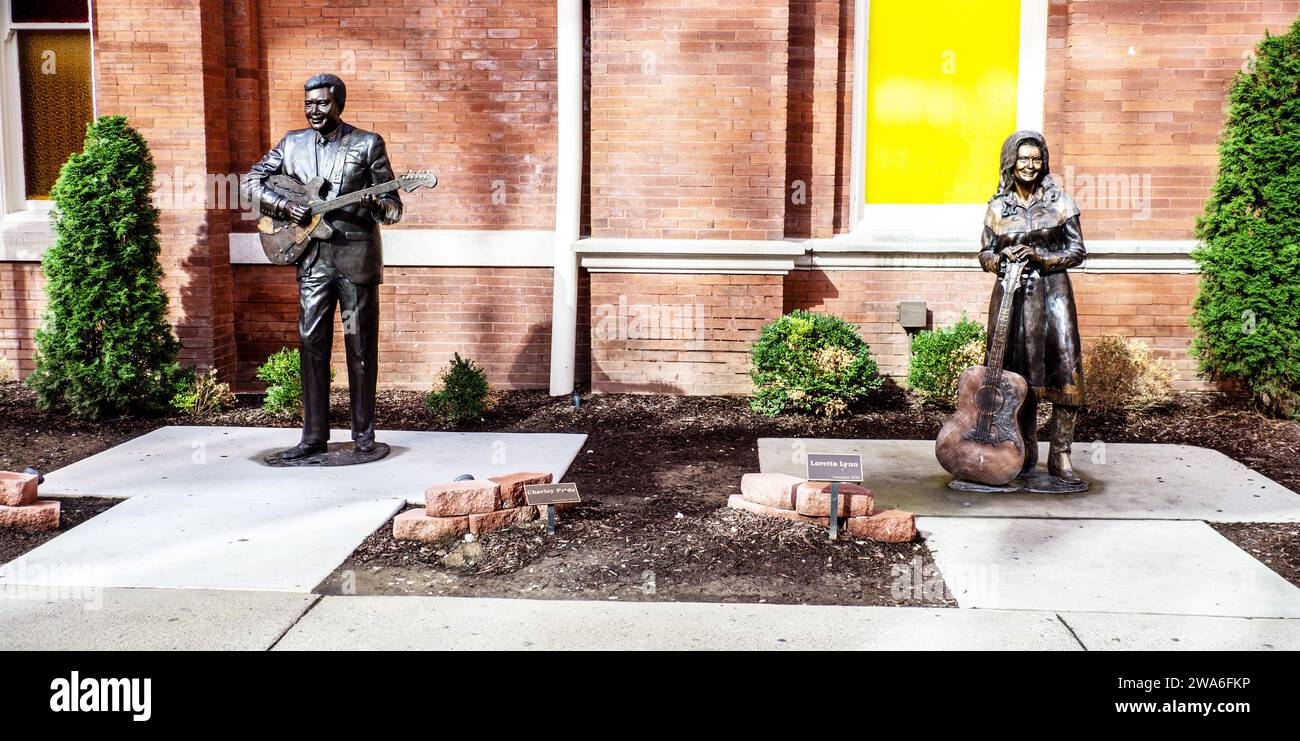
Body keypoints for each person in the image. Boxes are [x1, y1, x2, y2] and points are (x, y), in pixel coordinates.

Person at [241, 74, 402, 460]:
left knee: (360, 346)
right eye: (309, 103)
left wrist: (373, 204)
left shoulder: (367, 144)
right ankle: (313, 436)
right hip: (312, 259)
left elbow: (394, 207)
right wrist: (283, 206)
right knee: (312, 344)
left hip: (356, 261)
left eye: (322, 103)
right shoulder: (291, 143)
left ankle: (364, 434)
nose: (313, 110)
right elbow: (249, 183)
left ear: (339, 103)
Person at [977, 130, 1085, 484]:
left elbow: (1077, 251)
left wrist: (1042, 257)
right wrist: (999, 258)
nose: (1030, 165)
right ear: (1011, 162)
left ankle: (1060, 454)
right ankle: (1024, 449)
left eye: (1036, 159)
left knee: (1063, 368)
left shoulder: (1060, 202)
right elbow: (983, 253)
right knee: (1016, 372)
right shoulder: (997, 207)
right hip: (1012, 297)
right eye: (1023, 158)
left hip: (1053, 295)